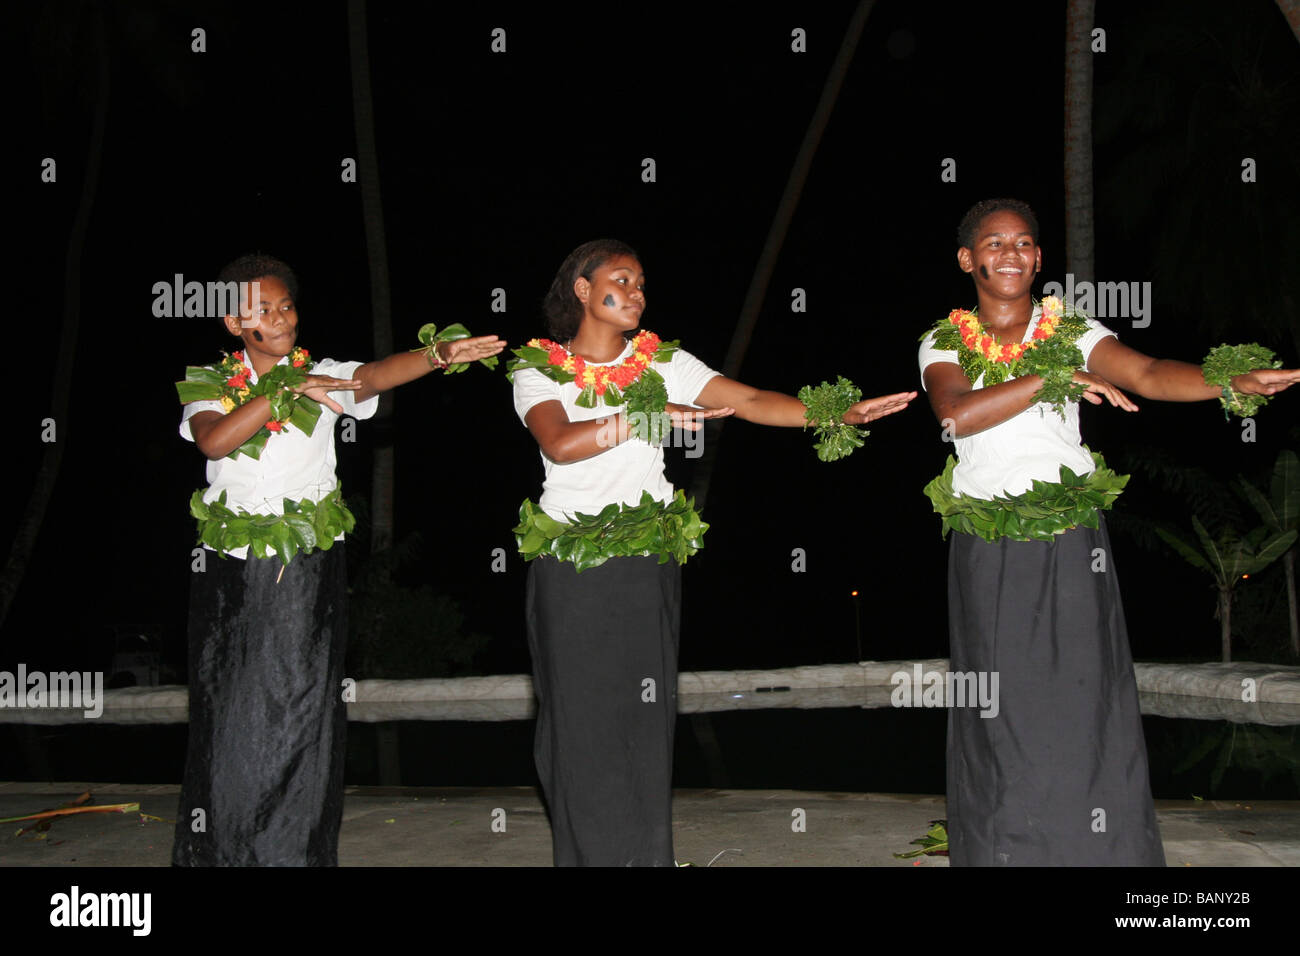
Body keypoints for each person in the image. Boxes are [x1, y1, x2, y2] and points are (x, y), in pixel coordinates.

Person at [919, 198, 1300, 866]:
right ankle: (1004, 848)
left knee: (1082, 692)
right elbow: (955, 413)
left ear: (1038, 257)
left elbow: (1148, 373)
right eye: (995, 242)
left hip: (1071, 537)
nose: (1012, 253)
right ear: (967, 259)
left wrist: (1226, 381)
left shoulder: (1073, 329)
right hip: (989, 546)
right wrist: (1050, 378)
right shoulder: (944, 341)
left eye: (1025, 242)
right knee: (998, 702)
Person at [511, 238, 916, 866]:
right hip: (571, 566)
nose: (639, 291)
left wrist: (836, 414)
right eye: (623, 279)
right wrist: (643, 419)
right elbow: (561, 443)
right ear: (583, 290)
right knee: (577, 720)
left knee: (644, 717)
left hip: (647, 561)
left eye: (643, 281)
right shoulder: (537, 368)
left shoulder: (664, 363)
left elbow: (750, 401)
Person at [172, 253, 504, 866]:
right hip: (230, 575)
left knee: (300, 709)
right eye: (261, 310)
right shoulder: (208, 384)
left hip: (303, 572)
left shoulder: (323, 374)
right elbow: (215, 439)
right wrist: (283, 394)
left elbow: (374, 376)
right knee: (233, 713)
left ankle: (295, 855)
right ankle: (223, 853)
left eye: (285, 305)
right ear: (231, 323)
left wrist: (434, 357)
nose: (279, 318)